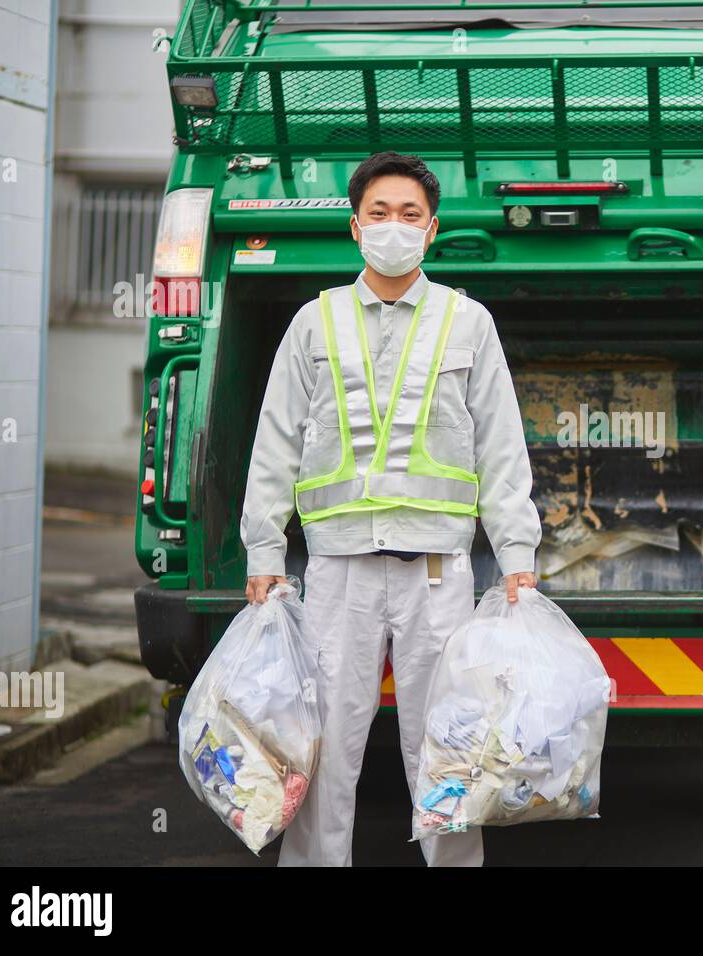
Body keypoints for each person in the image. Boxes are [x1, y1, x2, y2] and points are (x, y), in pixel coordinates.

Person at [239, 151, 542, 866]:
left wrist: (517, 557)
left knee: (448, 751)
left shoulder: (468, 323)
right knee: (321, 751)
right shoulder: (314, 324)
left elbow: (501, 446)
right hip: (338, 574)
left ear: (432, 230)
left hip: (437, 575)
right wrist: (263, 550)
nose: (394, 228)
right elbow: (276, 440)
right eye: (380, 213)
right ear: (354, 226)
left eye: (410, 215)